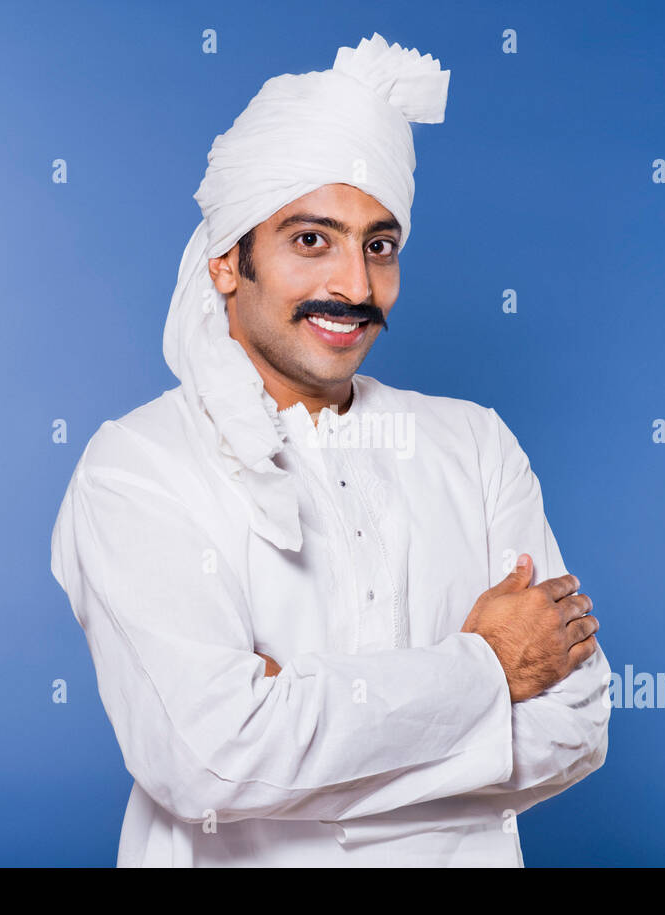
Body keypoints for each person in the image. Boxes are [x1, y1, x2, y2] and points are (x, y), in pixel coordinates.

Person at [49, 32, 610, 867]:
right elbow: (209, 762)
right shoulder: (137, 467)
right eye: (312, 239)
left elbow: (576, 725)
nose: (353, 285)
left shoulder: (476, 444)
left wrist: (296, 714)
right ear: (225, 263)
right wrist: (490, 668)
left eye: (379, 245)